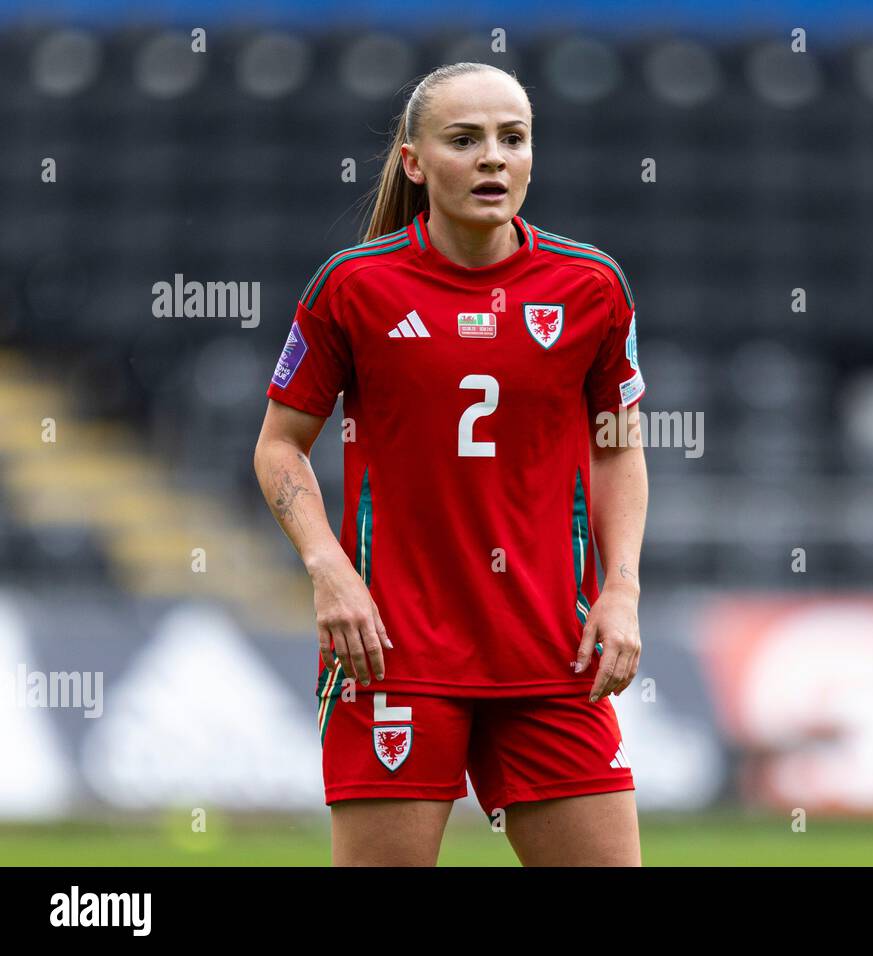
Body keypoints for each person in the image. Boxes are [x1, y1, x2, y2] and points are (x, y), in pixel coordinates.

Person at [252, 62, 648, 866]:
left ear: (533, 155)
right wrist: (327, 569)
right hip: (393, 653)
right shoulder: (353, 287)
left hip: (552, 653)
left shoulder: (591, 287)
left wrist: (622, 587)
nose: (493, 158)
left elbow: (617, 446)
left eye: (513, 138)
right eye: (464, 140)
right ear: (413, 160)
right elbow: (278, 443)